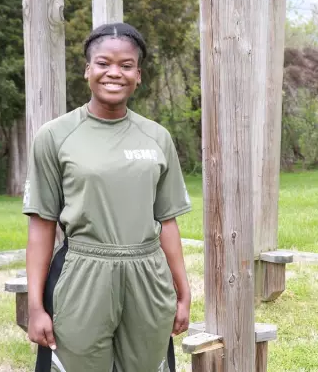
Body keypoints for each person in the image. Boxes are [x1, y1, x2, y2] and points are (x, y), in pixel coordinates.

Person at [22, 22, 192, 372]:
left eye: (126, 65)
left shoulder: (157, 138)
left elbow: (167, 222)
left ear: (138, 75)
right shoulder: (55, 136)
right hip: (82, 274)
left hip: (148, 276)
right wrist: (36, 306)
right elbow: (41, 226)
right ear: (88, 70)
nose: (114, 73)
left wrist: (183, 290)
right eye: (103, 63)